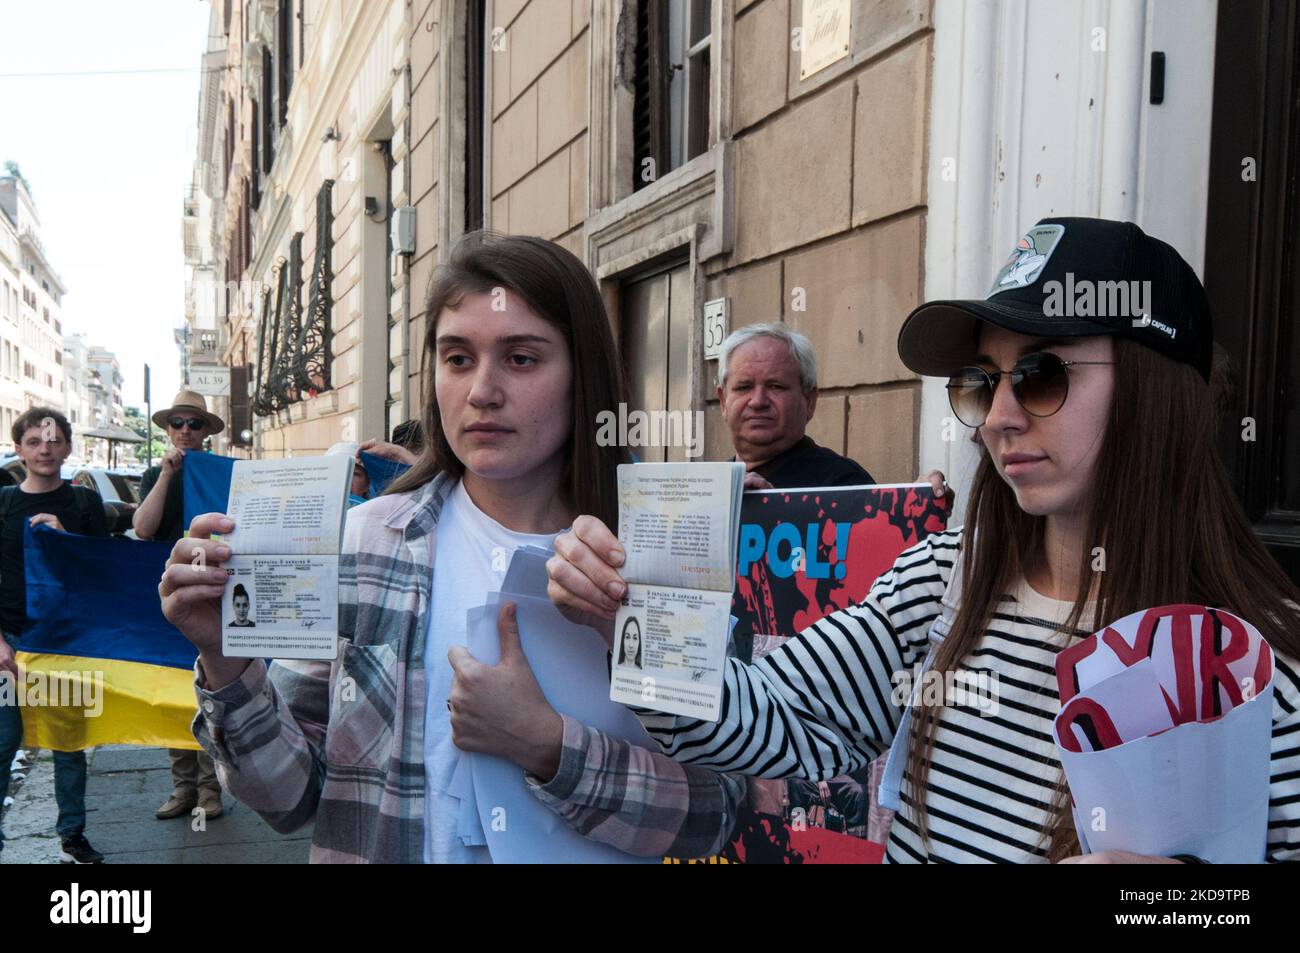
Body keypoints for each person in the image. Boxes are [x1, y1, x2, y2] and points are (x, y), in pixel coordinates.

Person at [548, 217, 1300, 863]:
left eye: (1042, 376)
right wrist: (631, 623)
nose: (1000, 416)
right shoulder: (944, 578)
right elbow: (778, 716)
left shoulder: (1255, 658)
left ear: (1153, 388)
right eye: (982, 381)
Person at [159, 234, 745, 862]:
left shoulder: (659, 556)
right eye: (458, 358)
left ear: (585, 375)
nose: (482, 391)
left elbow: (718, 812)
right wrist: (224, 660)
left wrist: (549, 747)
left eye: (521, 359)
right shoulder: (366, 545)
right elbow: (290, 799)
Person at [0, 408, 110, 864]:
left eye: (54, 439)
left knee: (69, 744)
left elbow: (103, 574)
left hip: (66, 643)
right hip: (12, 642)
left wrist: (67, 540)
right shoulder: (3, 503)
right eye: (33, 440)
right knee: (4, 741)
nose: (44, 448)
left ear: (66, 446)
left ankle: (72, 836)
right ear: (20, 449)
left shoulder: (84, 504)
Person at [134, 389, 226, 822]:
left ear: (207, 431)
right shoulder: (156, 475)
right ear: (168, 430)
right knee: (174, 691)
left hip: (210, 593)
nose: (185, 431)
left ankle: (211, 791)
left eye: (194, 423)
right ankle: (182, 788)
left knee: (209, 687)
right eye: (178, 423)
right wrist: (168, 476)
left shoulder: (220, 474)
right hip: (170, 595)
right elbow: (143, 528)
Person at [717, 323, 874, 488]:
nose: (758, 401)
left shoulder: (845, 485)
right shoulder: (706, 488)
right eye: (744, 387)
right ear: (723, 402)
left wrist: (775, 507)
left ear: (809, 401)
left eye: (775, 386)